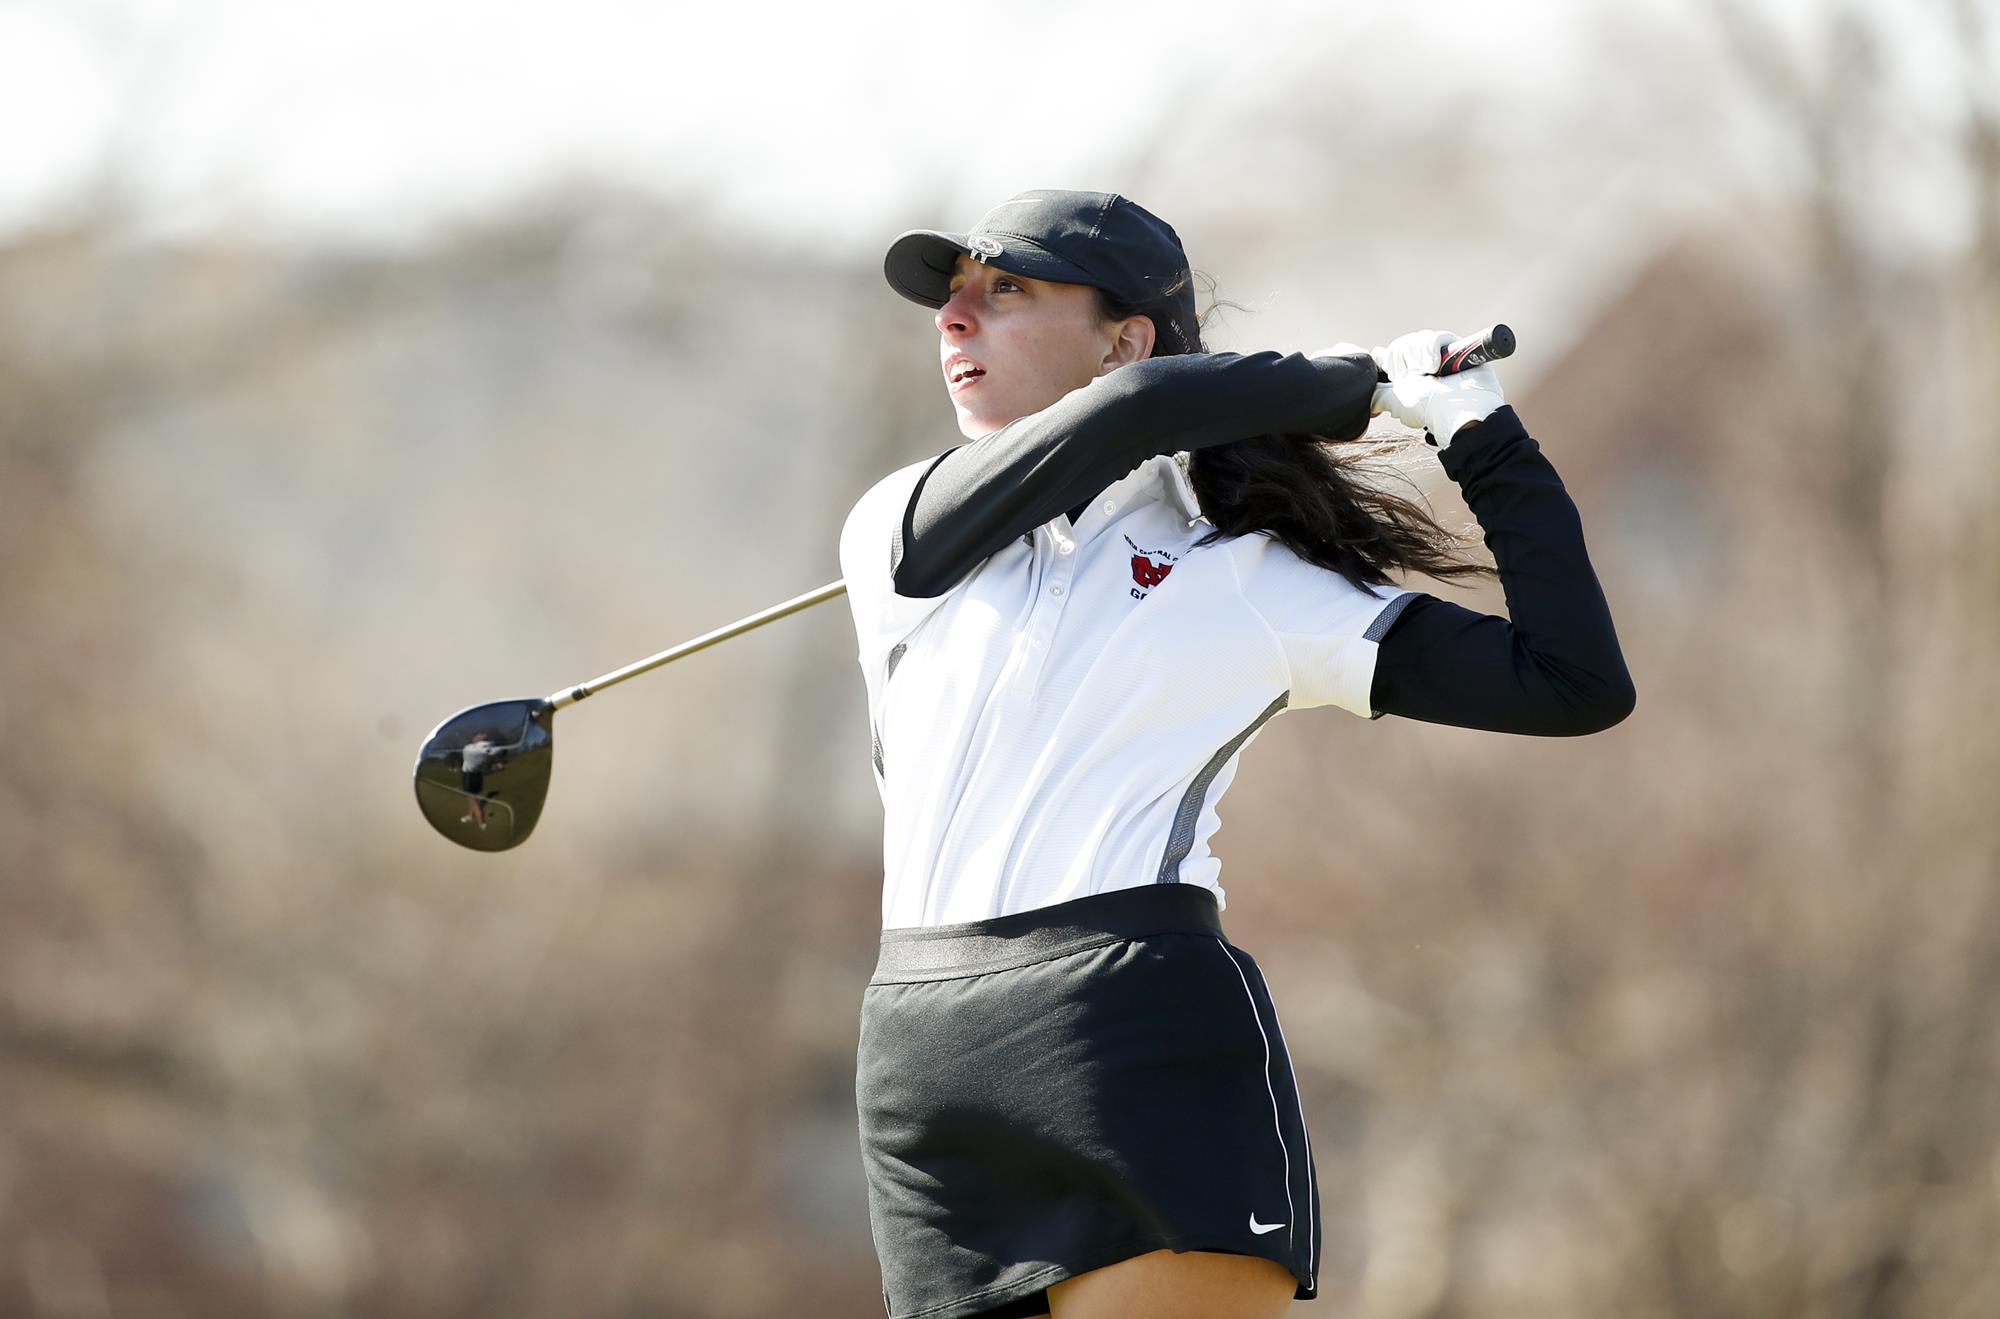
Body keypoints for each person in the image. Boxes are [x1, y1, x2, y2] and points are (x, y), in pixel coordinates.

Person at [838, 189, 1634, 1319]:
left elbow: (1572, 682)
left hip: (1126, 1027)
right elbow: (1135, 411)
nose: (953, 319)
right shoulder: (897, 525)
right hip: (918, 1059)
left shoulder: (1247, 577)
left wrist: (1476, 431)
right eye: (950, 297)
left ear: (1124, 332)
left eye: (1003, 289)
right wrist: (1356, 383)